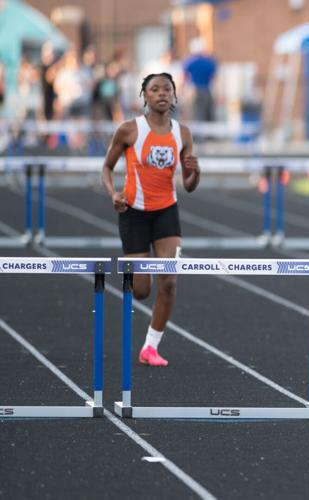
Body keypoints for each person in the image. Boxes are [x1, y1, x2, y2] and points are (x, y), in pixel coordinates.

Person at [100, 73, 200, 366]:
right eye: (154, 89)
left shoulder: (183, 133)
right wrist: (112, 194)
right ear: (145, 95)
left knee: (168, 282)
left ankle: (150, 348)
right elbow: (106, 167)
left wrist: (197, 171)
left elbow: (190, 186)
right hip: (134, 213)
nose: (161, 94)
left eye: (166, 89)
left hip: (167, 212)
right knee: (141, 290)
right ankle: (135, 281)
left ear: (174, 95)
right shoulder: (129, 130)